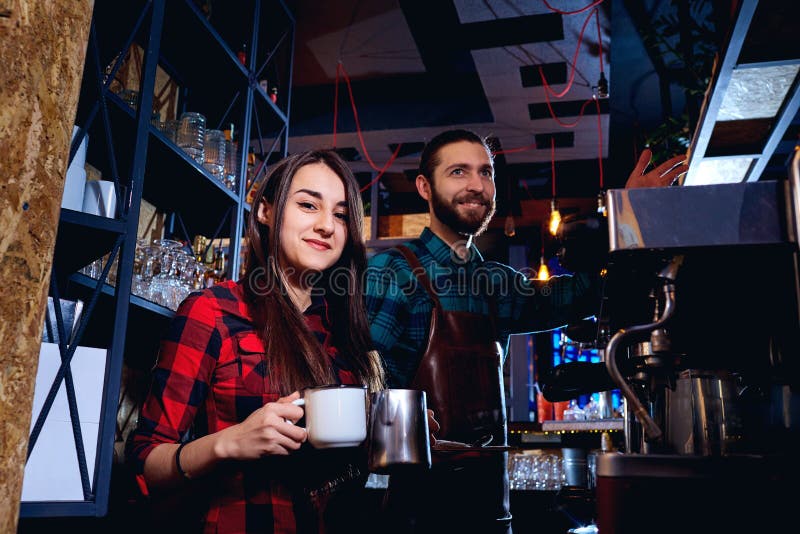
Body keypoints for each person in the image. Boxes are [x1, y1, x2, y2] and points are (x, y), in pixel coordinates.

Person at [364, 129, 687, 533]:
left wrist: (631, 215)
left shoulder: (496, 282)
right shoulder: (391, 272)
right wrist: (397, 417)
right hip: (420, 515)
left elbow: (583, 293)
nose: (477, 185)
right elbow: (362, 385)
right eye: (459, 172)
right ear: (425, 187)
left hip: (493, 513)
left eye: (486, 172)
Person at [128, 149, 384, 534]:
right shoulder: (214, 312)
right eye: (308, 205)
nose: (327, 226)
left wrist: (391, 431)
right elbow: (147, 458)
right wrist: (229, 443)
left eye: (341, 214)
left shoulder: (341, 329)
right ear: (266, 211)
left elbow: (346, 472)